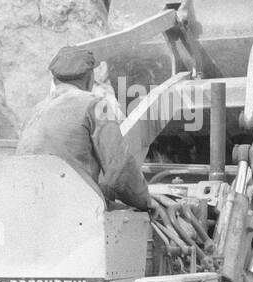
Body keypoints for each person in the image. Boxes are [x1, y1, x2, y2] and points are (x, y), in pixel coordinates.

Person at [17, 46, 152, 210]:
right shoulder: (94, 105)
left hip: (30, 204)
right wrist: (146, 203)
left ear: (54, 79)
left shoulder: (35, 111)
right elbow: (120, 169)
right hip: (74, 210)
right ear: (90, 78)